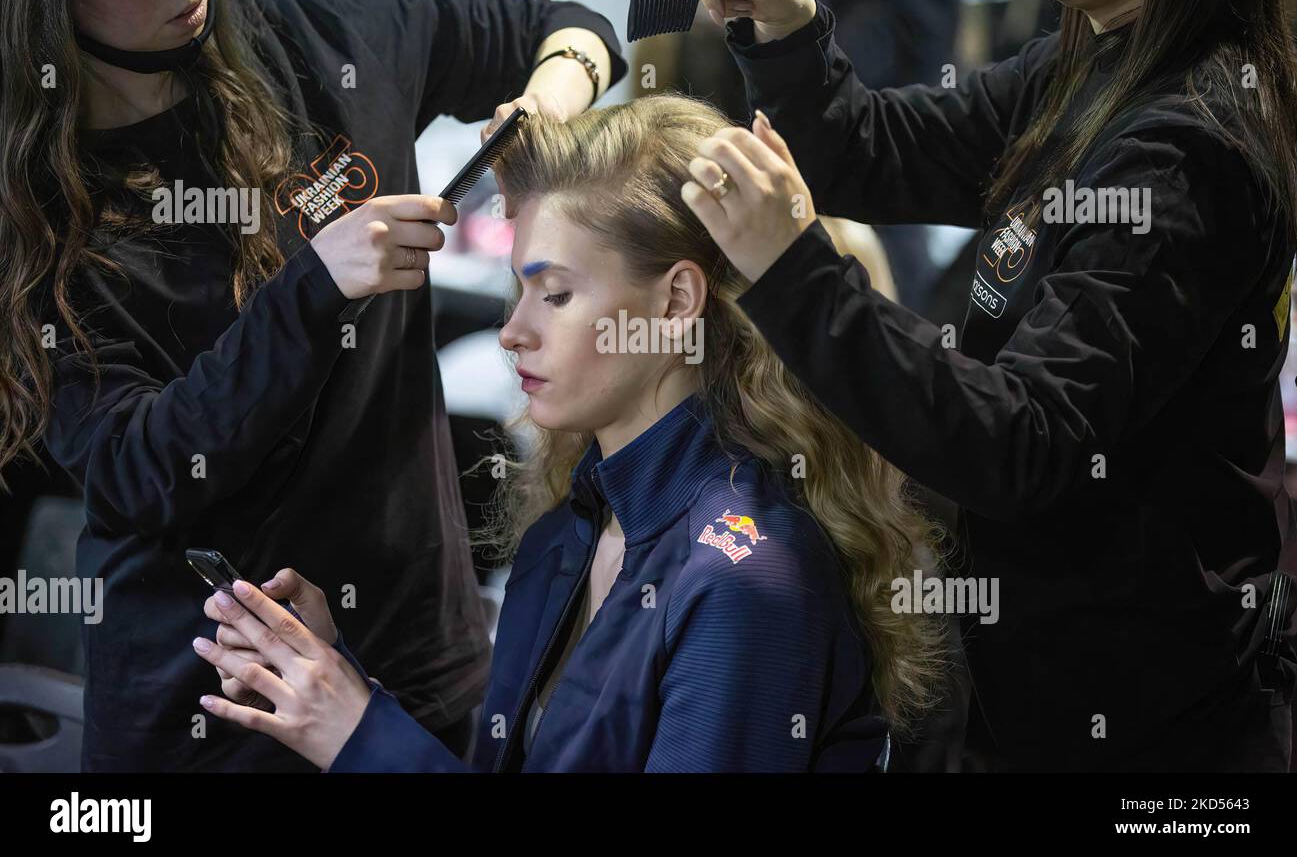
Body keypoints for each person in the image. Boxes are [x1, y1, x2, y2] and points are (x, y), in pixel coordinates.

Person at [0, 0, 626, 771]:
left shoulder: (318, 34)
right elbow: (142, 472)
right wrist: (314, 288)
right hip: (212, 704)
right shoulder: (42, 209)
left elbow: (569, 29)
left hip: (418, 662)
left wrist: (544, 105)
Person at [681, 0, 1297, 770]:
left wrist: (795, 270)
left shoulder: (1187, 148)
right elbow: (880, 148)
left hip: (1152, 728)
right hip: (1038, 686)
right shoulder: (1087, 65)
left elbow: (1022, 439)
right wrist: (791, 41)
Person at [190, 94, 947, 772]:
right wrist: (338, 687)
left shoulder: (742, 580)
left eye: (556, 294)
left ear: (676, 299)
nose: (513, 332)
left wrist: (358, 733)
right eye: (521, 290)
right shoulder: (569, 531)